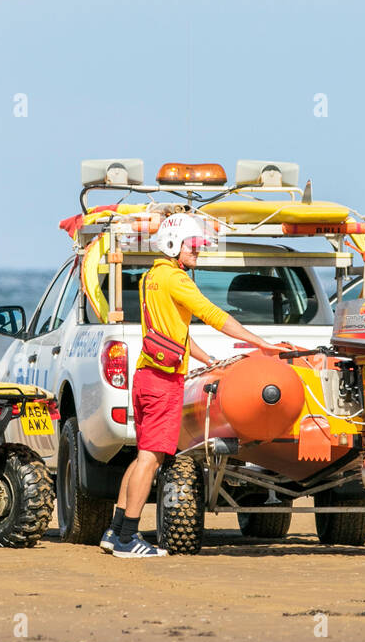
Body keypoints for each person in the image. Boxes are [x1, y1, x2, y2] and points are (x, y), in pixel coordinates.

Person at [103, 213, 283, 558]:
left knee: (141, 456)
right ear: (174, 244)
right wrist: (261, 343)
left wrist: (203, 358)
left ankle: (114, 532)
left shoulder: (151, 277)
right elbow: (215, 315)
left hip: (144, 377)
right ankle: (128, 539)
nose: (198, 251)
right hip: (162, 382)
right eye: (194, 245)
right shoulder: (177, 280)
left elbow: (173, 332)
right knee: (150, 460)